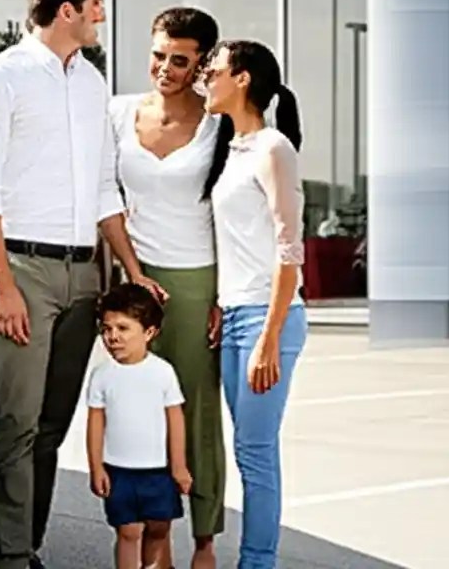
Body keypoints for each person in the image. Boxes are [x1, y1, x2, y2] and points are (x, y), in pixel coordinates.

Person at [0, 0, 165, 569]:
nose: (102, 12)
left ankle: (31, 545)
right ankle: (10, 557)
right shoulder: (0, 78)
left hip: (86, 272)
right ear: (67, 9)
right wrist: (1, 280)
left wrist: (129, 267)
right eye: (95, 1)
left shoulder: (92, 83)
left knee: (52, 423)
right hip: (23, 269)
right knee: (16, 420)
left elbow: (106, 187)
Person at [107, 7, 226, 569]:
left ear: (202, 62)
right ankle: (153, 545)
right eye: (159, 54)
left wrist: (222, 296)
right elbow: (105, 198)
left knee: (195, 412)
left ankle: (203, 541)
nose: (165, 68)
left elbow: (234, 212)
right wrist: (131, 271)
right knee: (135, 409)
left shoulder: (218, 123)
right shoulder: (118, 112)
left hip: (196, 280)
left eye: (181, 60)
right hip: (132, 280)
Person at [199, 39, 307, 569]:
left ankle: (257, 563)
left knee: (256, 454)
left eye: (213, 71)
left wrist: (268, 334)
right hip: (237, 314)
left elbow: (291, 250)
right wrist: (223, 303)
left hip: (269, 319)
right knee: (246, 451)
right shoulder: (234, 149)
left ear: (242, 79)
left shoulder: (272, 148)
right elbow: (241, 243)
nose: (204, 79)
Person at [86, 282, 192, 569]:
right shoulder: (102, 376)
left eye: (123, 328)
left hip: (157, 470)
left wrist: (179, 466)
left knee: (158, 528)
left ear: (149, 332)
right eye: (106, 329)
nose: (113, 337)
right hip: (118, 471)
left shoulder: (162, 373)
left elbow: (175, 419)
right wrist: (96, 467)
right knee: (128, 531)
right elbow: (95, 423)